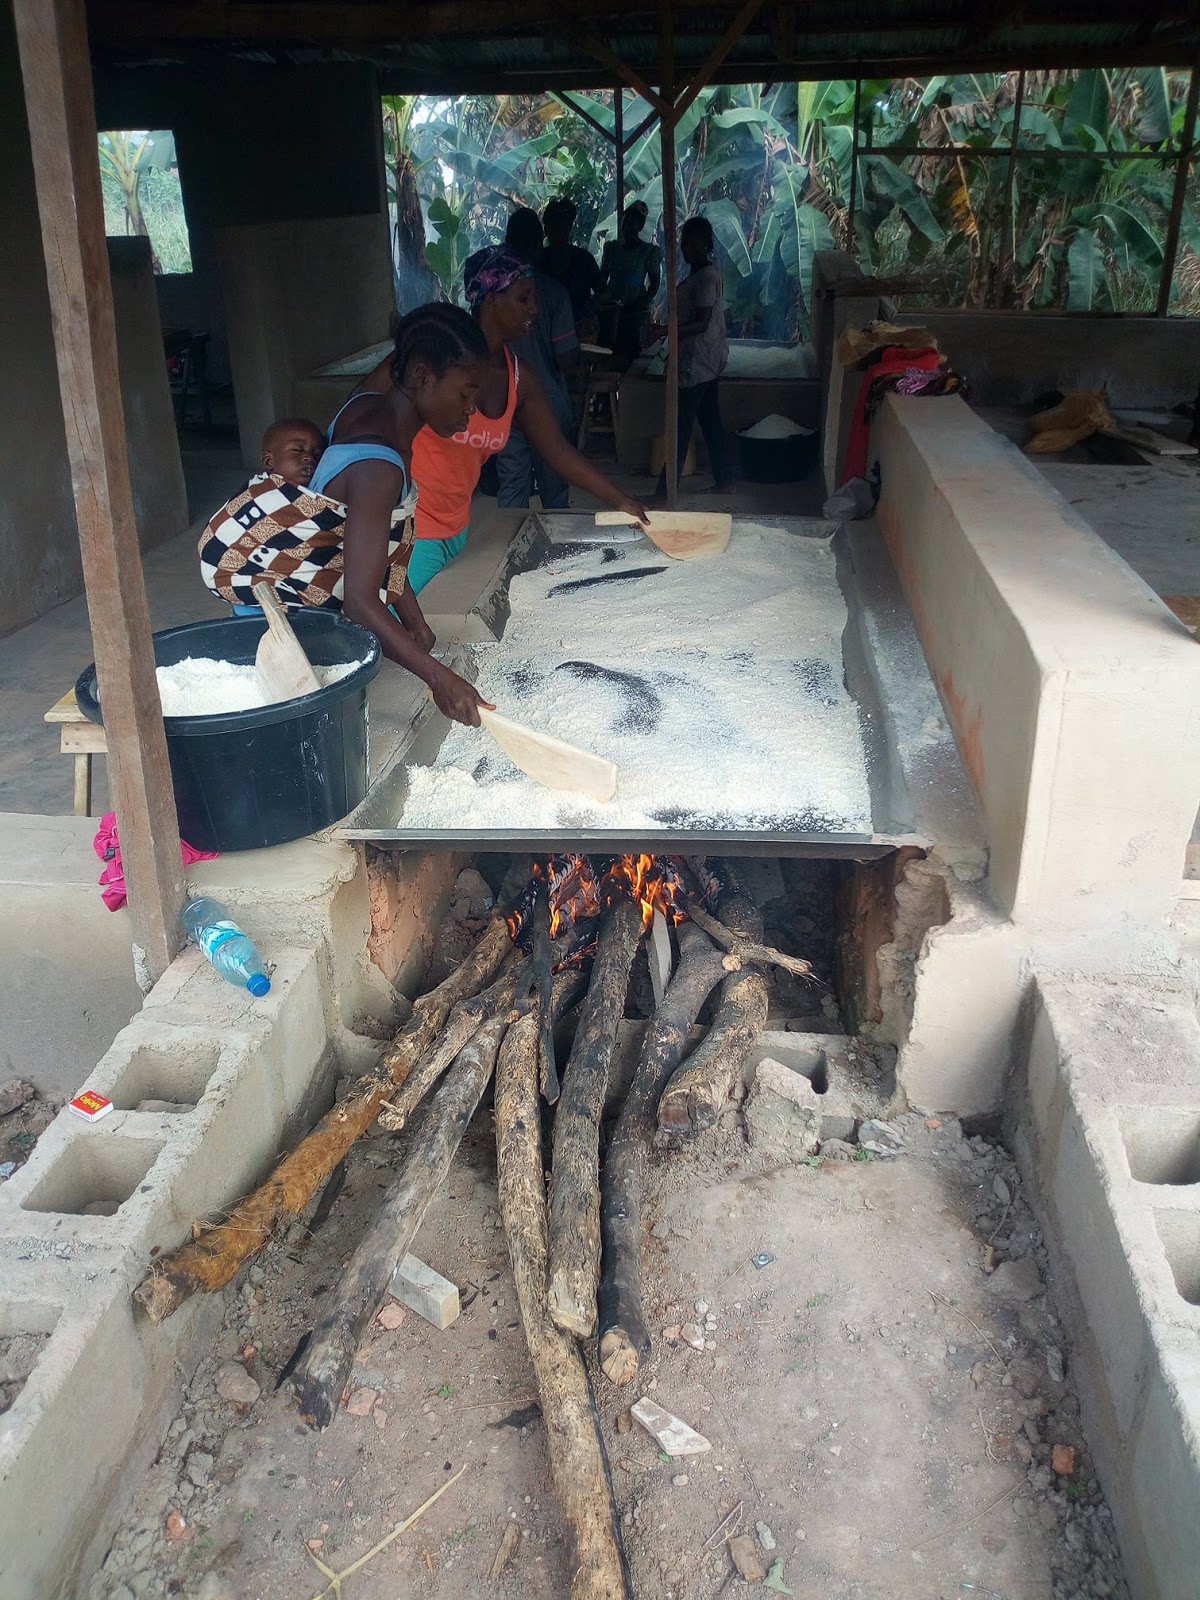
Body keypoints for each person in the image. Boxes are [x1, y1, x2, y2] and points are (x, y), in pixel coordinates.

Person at [199, 304, 492, 726]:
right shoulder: (379, 468)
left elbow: (367, 543)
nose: (470, 409)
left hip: (286, 603)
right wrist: (439, 679)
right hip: (280, 629)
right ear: (423, 377)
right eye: (465, 394)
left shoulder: (366, 406)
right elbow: (358, 602)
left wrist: (414, 620)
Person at [406, 244, 649, 591]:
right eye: (524, 298)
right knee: (391, 630)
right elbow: (365, 408)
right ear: (491, 299)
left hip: (455, 529)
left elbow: (558, 452)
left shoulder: (520, 376)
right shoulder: (430, 353)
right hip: (413, 528)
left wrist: (621, 500)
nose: (533, 309)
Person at [496, 207, 578, 511]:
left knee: (513, 483)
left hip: (504, 399)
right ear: (538, 244)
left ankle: (508, 549)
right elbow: (565, 358)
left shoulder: (494, 294)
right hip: (546, 399)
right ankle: (557, 552)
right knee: (555, 485)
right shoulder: (552, 293)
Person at [651, 214, 733, 499]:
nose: (688, 250)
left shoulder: (706, 279)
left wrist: (663, 331)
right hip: (707, 361)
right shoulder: (703, 274)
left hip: (699, 362)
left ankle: (665, 490)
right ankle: (724, 479)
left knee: (680, 426)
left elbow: (700, 323)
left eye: (694, 245)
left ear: (706, 246)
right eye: (685, 244)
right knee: (710, 422)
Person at [597, 200, 662, 368]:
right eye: (625, 222)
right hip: (611, 309)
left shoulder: (649, 251)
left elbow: (655, 282)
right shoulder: (611, 248)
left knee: (629, 352)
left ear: (640, 227)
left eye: (631, 223)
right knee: (606, 351)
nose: (626, 227)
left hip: (635, 310)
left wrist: (643, 301)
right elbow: (602, 277)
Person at [539, 197, 601, 323]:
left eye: (563, 229)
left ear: (569, 230)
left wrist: (591, 306)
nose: (559, 235)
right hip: (546, 328)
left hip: (579, 326)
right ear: (547, 231)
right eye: (555, 229)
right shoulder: (539, 261)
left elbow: (604, 292)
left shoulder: (584, 259)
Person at [259, 418, 324, 488]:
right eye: (297, 450)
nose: (310, 457)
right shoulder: (261, 493)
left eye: (317, 453)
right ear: (269, 461)